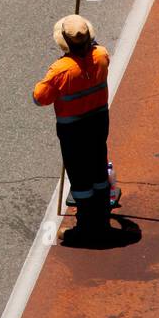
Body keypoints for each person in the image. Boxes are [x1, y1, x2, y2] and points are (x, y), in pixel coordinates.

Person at [33, 15, 112, 241]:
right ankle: (102, 214)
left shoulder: (61, 70)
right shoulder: (101, 55)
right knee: (98, 165)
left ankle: (86, 227)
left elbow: (39, 98)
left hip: (74, 129)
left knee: (80, 176)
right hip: (99, 120)